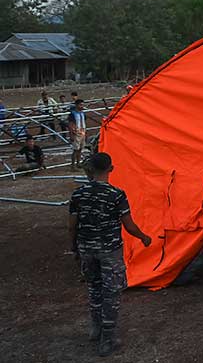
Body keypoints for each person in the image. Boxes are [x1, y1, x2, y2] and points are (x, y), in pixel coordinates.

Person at [69, 152, 152, 356]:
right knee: (111, 293)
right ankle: (108, 338)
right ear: (111, 169)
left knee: (94, 287)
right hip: (109, 250)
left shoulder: (78, 194)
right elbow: (129, 226)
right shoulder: (116, 194)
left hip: (86, 249)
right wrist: (143, 237)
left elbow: (72, 226)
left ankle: (95, 327)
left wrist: (74, 248)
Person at [68, 99, 88, 168]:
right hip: (76, 133)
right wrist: (71, 135)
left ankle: (78, 163)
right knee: (75, 150)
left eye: (82, 105)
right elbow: (70, 125)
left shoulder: (82, 113)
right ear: (76, 105)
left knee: (80, 149)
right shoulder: (72, 114)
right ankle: (73, 165)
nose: (82, 106)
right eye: (80, 105)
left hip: (82, 132)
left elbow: (84, 122)